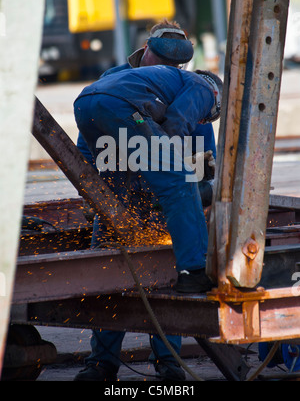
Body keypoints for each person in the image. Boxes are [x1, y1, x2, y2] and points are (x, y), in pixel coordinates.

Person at [73, 23, 222, 382]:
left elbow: (202, 164)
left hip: (160, 211)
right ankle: (102, 363)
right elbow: (85, 151)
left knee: (168, 284)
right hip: (122, 202)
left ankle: (169, 364)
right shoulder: (125, 83)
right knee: (112, 280)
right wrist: (96, 196)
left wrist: (193, 190)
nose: (173, 65)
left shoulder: (180, 89)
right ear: (145, 51)